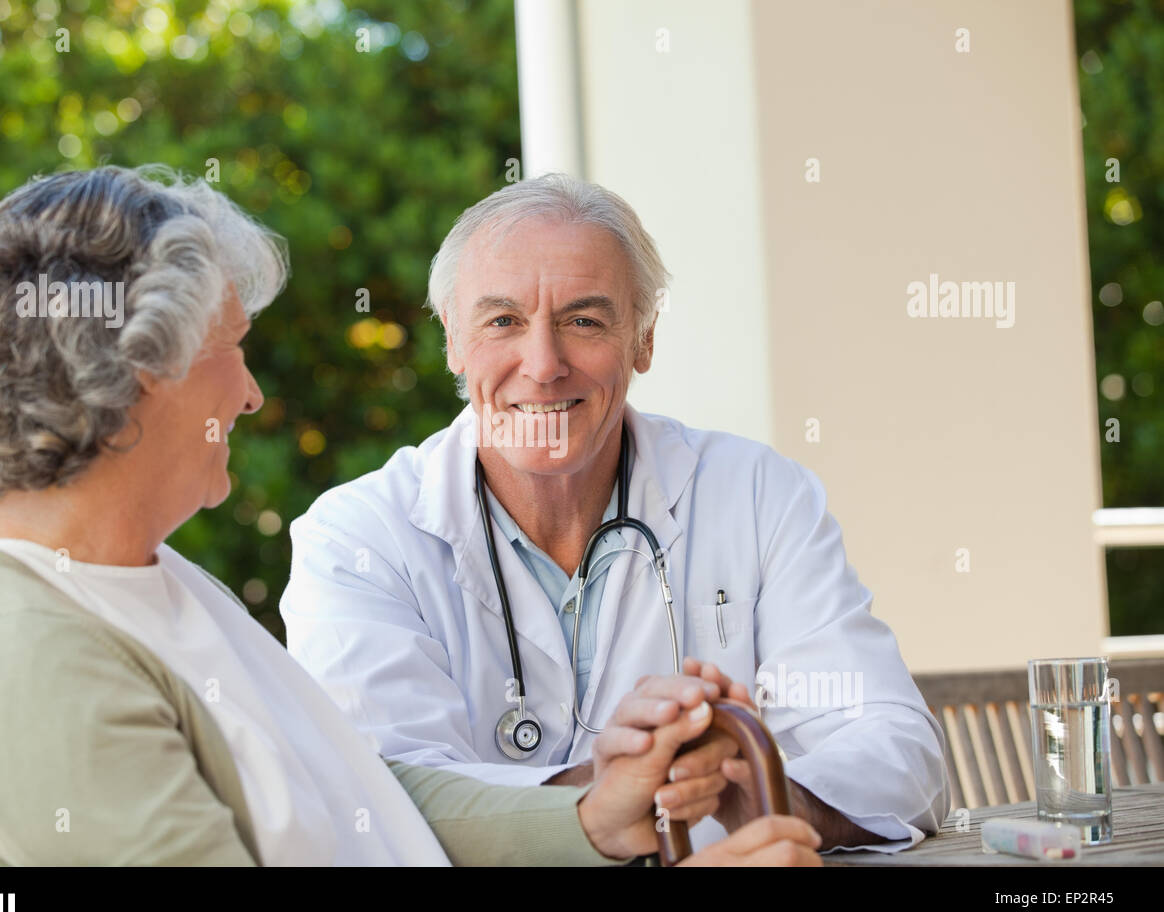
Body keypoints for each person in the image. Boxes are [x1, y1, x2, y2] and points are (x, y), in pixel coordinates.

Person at [0, 165, 822, 866]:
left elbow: (354, 791)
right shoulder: (26, 654)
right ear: (131, 377)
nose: (249, 394)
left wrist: (589, 818)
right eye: (230, 350)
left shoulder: (144, 581)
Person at [281, 173, 950, 855]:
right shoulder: (356, 537)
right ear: (454, 338)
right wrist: (615, 790)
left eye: (584, 321)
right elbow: (375, 797)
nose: (543, 365)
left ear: (644, 339)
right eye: (503, 320)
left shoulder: (757, 493)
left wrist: (757, 787)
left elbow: (901, 751)